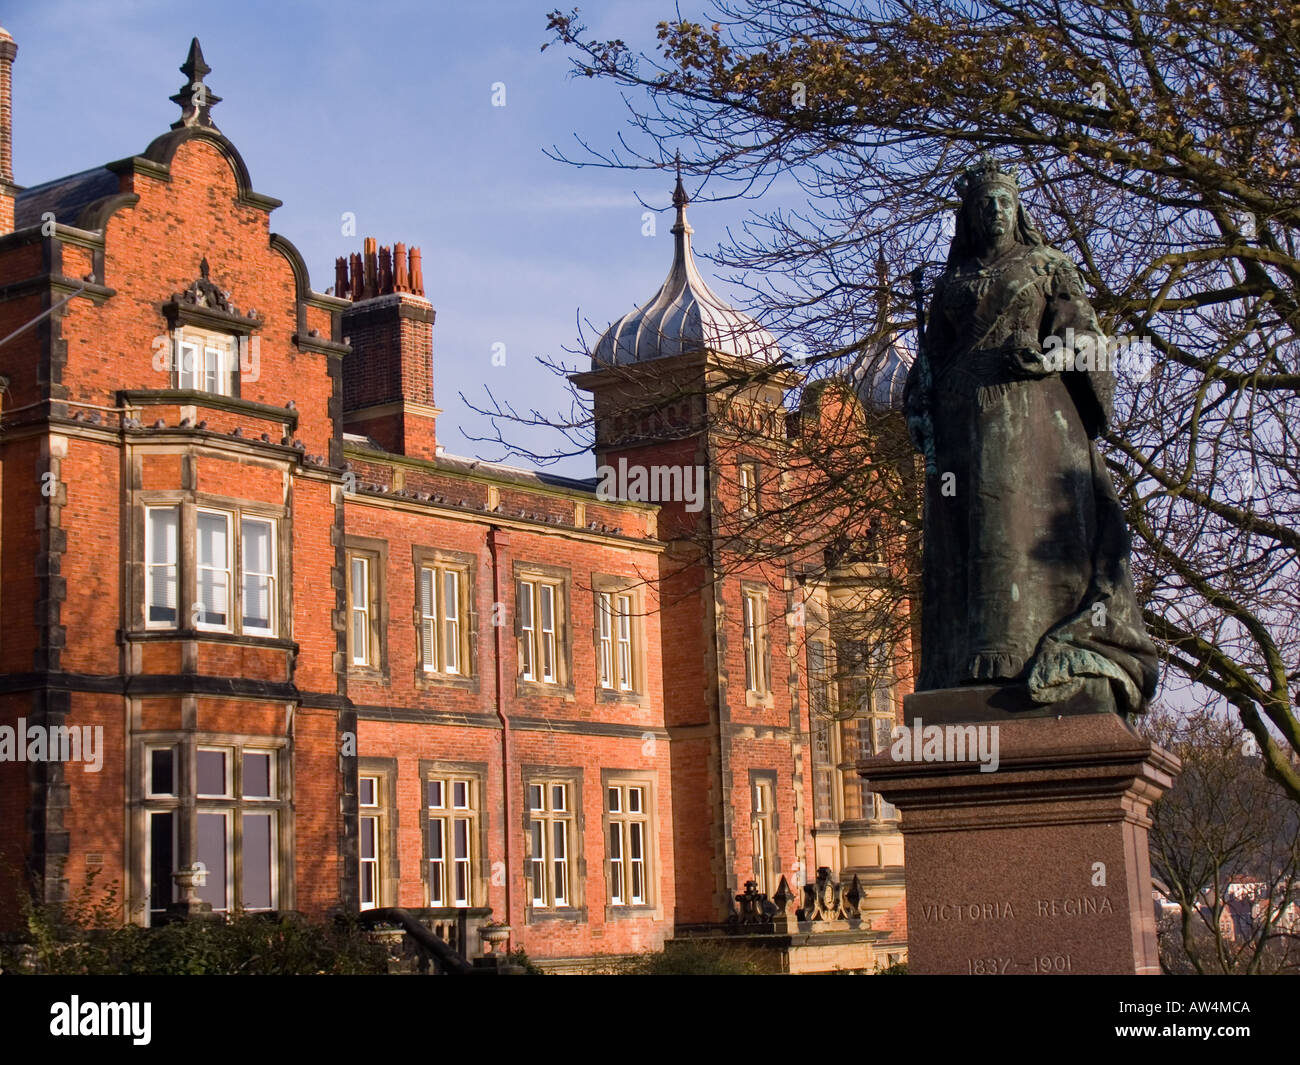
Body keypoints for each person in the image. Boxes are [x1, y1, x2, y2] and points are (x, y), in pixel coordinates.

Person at [903, 155, 1158, 714]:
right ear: (969, 215)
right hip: (958, 421)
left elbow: (1089, 342)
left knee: (1013, 524)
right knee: (963, 535)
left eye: (1004, 202)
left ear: (1017, 211)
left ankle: (1014, 655)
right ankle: (960, 661)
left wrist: (1048, 358)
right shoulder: (952, 281)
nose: (994, 211)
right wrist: (919, 401)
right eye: (984, 204)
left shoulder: (1048, 266)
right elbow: (933, 359)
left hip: (1030, 421)